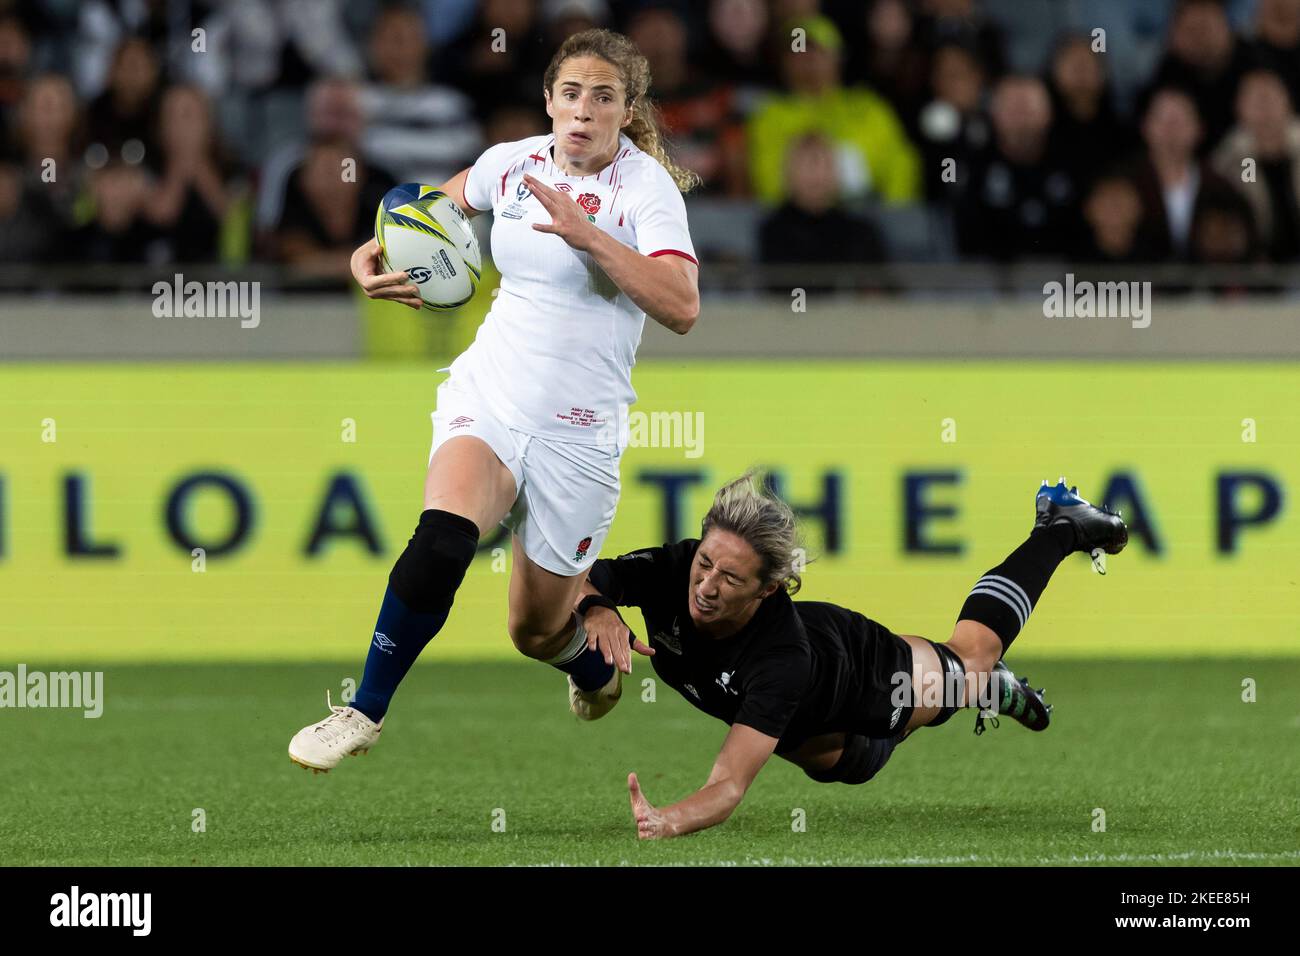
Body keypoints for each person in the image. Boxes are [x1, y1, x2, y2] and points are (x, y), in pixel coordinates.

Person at [288, 28, 701, 771]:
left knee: (535, 630)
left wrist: (591, 238)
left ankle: (592, 669)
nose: (583, 110)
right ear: (548, 100)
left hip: (579, 429)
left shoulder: (645, 190)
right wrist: (373, 252)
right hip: (493, 392)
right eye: (570, 93)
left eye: (603, 97)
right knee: (441, 540)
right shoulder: (509, 165)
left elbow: (681, 305)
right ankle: (362, 710)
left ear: (627, 109)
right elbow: (426, 214)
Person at [571, 472, 1127, 840]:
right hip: (820, 731)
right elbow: (589, 575)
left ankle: (1059, 528)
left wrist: (669, 820)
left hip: (867, 674)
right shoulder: (676, 568)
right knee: (841, 768)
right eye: (705, 564)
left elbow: (729, 785)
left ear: (767, 589)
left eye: (731, 577)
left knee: (971, 657)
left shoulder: (779, 659)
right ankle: (981, 689)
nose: (707, 585)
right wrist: (598, 608)